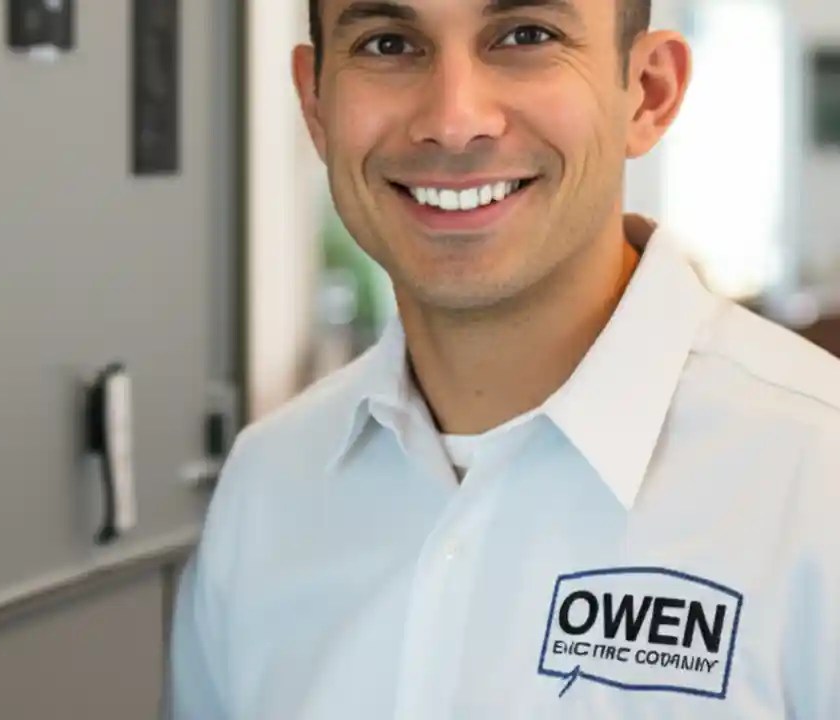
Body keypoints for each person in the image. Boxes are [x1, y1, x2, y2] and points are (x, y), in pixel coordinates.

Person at [167, 0, 840, 717]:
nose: (454, 120)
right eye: (389, 43)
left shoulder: (817, 478)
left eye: (527, 36)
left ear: (648, 92)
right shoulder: (269, 485)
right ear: (317, 103)